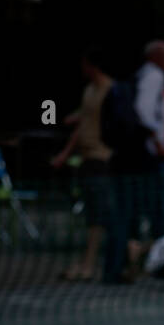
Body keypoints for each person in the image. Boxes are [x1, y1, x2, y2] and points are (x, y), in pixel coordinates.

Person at [101, 40, 164, 283]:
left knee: (124, 213)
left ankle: (115, 268)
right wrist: (159, 143)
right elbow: (145, 113)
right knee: (159, 212)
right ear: (157, 57)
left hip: (125, 157)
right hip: (143, 159)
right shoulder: (154, 76)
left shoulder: (136, 77)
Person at [50, 47, 115, 280]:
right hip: (87, 158)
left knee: (102, 213)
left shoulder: (111, 90)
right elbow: (82, 125)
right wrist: (65, 154)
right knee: (94, 214)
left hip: (103, 158)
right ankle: (89, 263)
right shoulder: (89, 91)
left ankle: (98, 263)